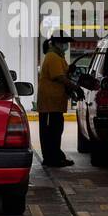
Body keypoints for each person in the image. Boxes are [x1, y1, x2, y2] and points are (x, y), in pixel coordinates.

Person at [36, 35, 75, 168]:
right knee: (50, 133)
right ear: (58, 43)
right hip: (49, 104)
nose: (67, 46)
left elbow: (63, 73)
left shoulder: (58, 56)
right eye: (65, 43)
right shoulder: (52, 56)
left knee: (56, 131)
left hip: (56, 103)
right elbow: (59, 77)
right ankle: (51, 158)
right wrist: (74, 87)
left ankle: (56, 156)